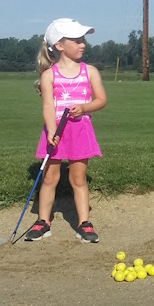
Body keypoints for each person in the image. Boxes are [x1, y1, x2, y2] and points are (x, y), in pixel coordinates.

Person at [25, 18, 108, 243]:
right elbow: (48, 106)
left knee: (78, 179)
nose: (83, 44)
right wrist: (51, 131)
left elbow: (101, 100)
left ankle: (84, 222)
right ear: (59, 46)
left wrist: (84, 107)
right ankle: (43, 221)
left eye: (83, 40)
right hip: (55, 132)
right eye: (77, 40)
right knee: (50, 178)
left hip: (80, 130)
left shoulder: (89, 71)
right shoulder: (48, 75)